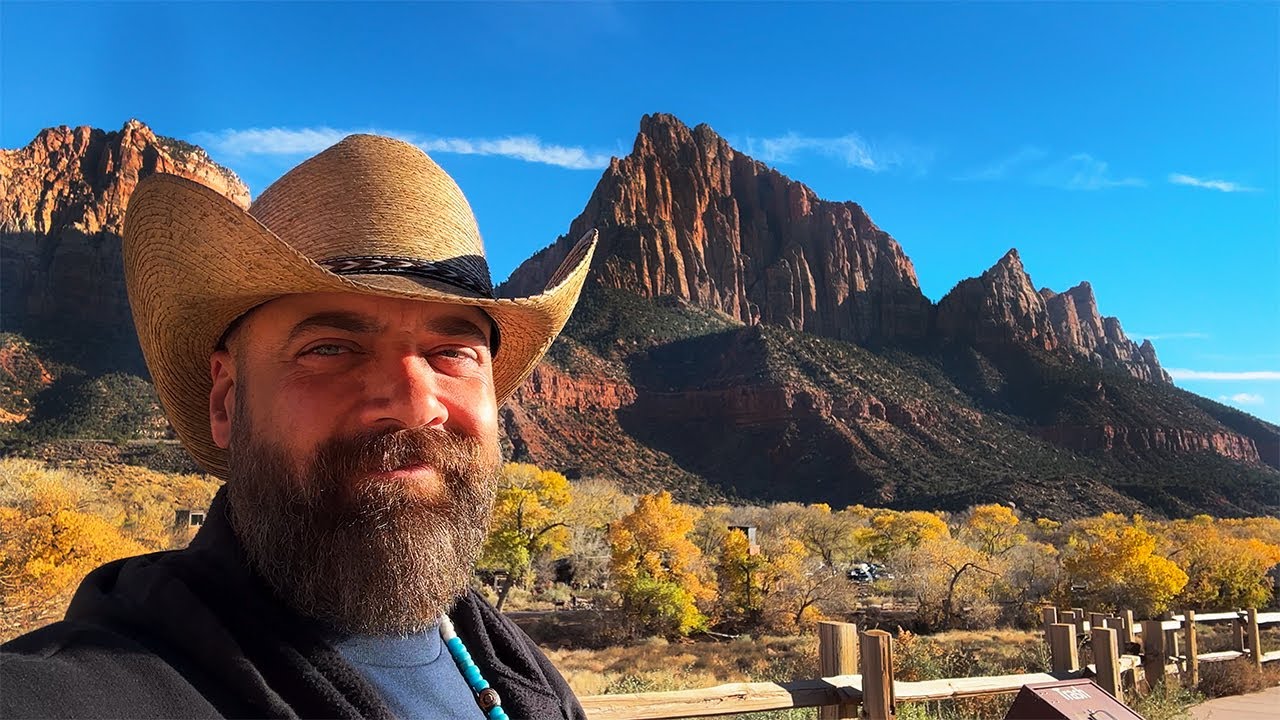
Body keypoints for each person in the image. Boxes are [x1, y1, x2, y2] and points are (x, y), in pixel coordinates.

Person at [0, 134, 597, 719]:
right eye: (332, 348)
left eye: (454, 353)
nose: (417, 405)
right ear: (227, 401)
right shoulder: (85, 687)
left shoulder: (514, 668)